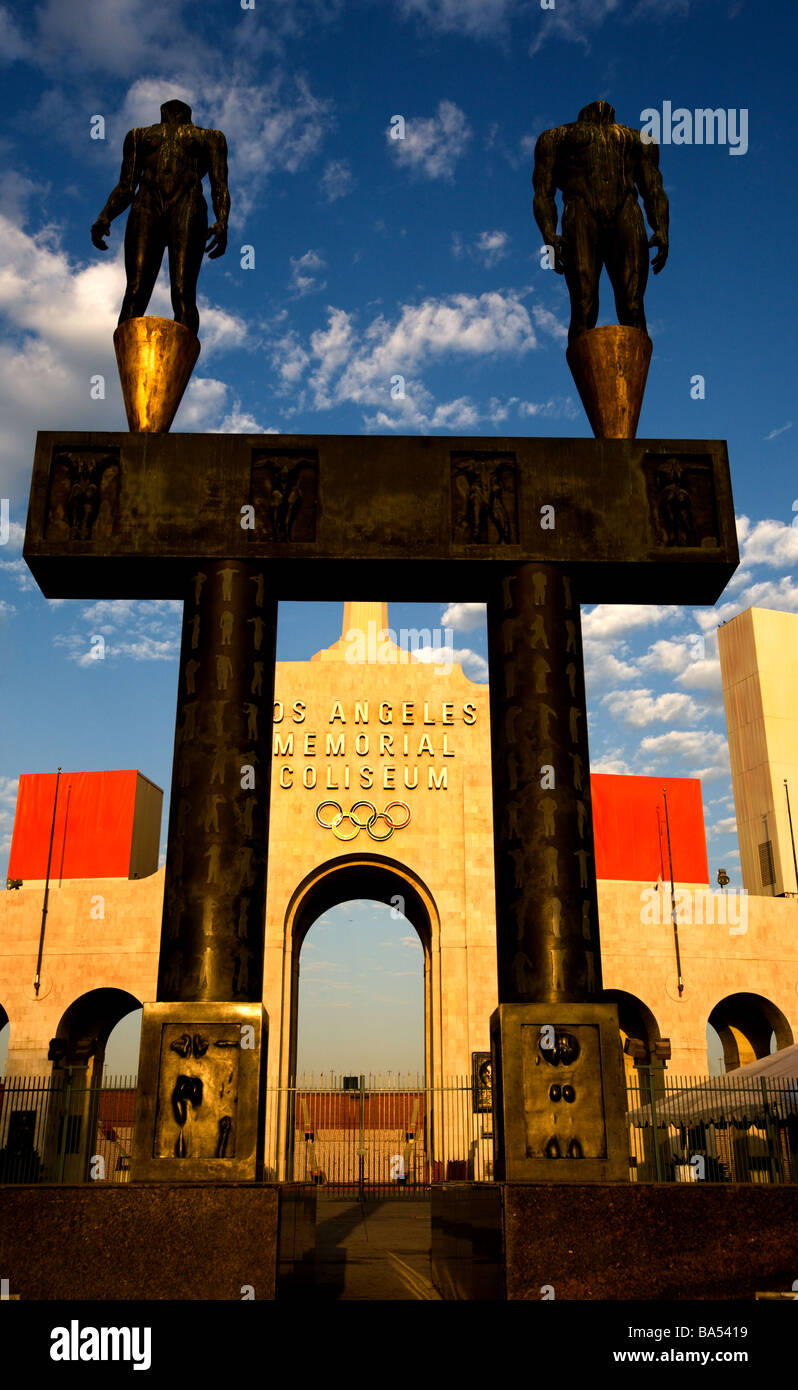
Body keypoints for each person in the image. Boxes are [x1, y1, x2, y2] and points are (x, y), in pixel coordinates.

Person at [533, 99, 669, 344]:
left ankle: (631, 381)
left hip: (626, 212)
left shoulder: (640, 140)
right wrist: (549, 233)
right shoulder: (555, 138)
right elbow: (543, 192)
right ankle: (587, 379)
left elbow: (654, 188)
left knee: (633, 305)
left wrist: (661, 227)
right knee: (583, 305)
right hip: (581, 212)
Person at [91, 99, 229, 336]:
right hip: (146, 205)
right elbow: (126, 186)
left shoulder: (211, 137)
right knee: (135, 290)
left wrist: (222, 220)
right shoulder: (138, 136)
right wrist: (105, 216)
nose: (175, 111)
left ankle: (178, 369)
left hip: (188, 204)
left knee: (183, 291)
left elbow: (220, 184)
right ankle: (128, 369)